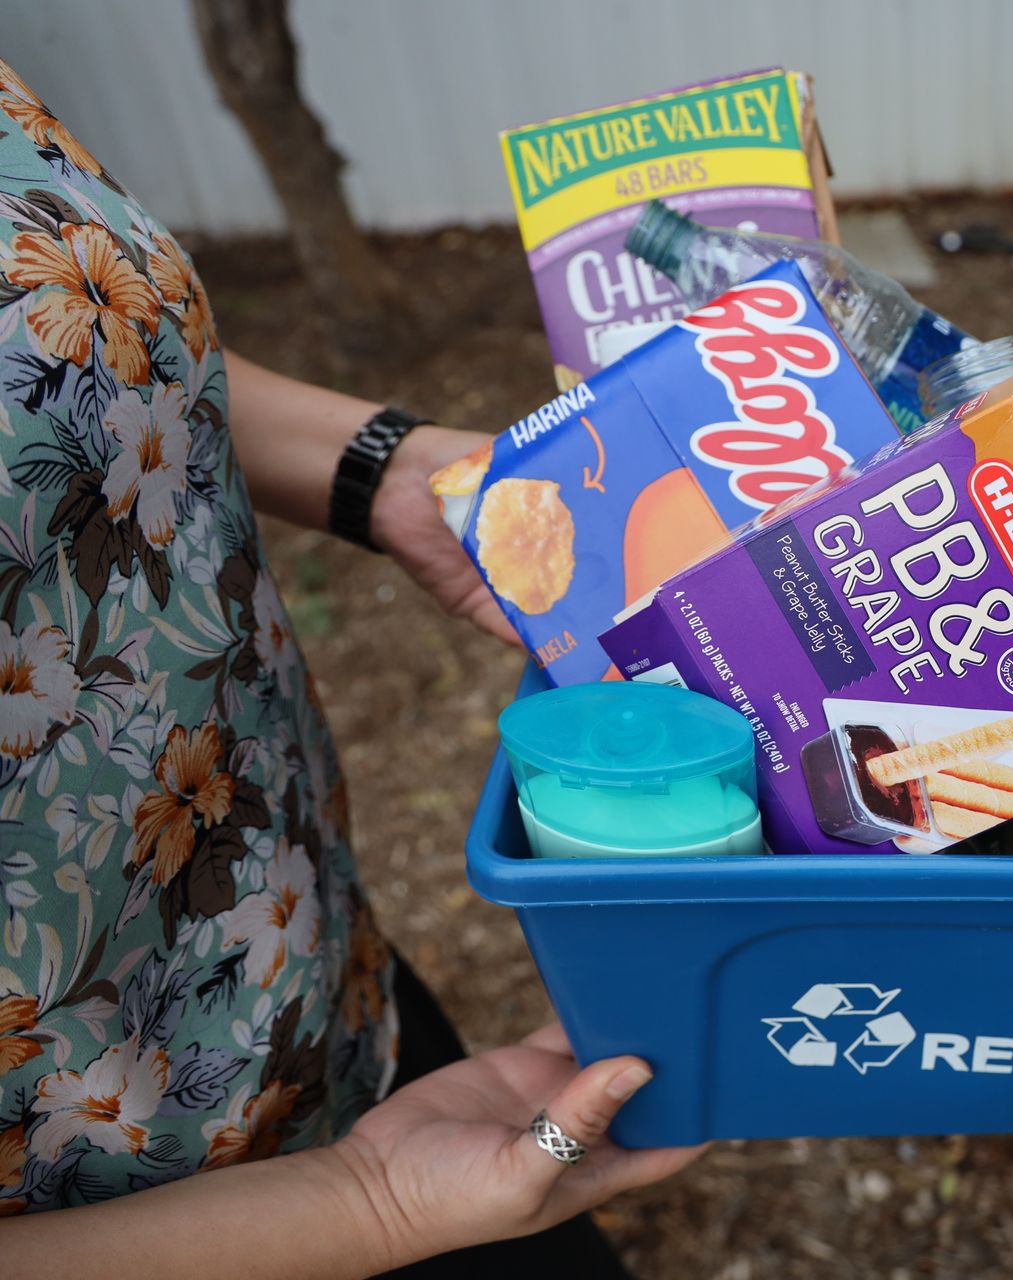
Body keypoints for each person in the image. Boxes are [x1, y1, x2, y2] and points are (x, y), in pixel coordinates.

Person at [0, 57, 700, 1276]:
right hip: (176, 1204)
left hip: (298, 959)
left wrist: (388, 475)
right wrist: (369, 1201)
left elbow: (76, 354)